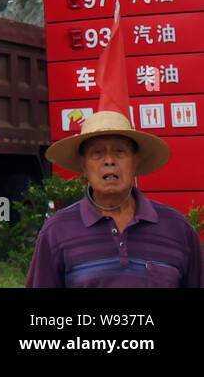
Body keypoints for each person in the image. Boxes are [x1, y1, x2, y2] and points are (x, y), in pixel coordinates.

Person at [26, 110, 203, 287]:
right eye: (97, 153)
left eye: (120, 152)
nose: (109, 161)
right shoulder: (56, 231)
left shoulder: (178, 228)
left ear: (135, 162)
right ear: (84, 165)